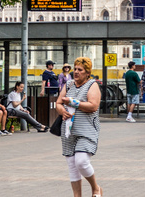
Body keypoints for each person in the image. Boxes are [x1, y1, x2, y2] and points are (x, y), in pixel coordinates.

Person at [58, 56, 103, 197]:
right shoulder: (69, 84)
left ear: (87, 73)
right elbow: (58, 102)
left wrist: (73, 103)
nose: (76, 72)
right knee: (72, 165)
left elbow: (93, 106)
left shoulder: (92, 85)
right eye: (75, 69)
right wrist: (62, 111)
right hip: (69, 131)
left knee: (81, 162)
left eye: (80, 70)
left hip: (87, 130)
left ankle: (96, 188)